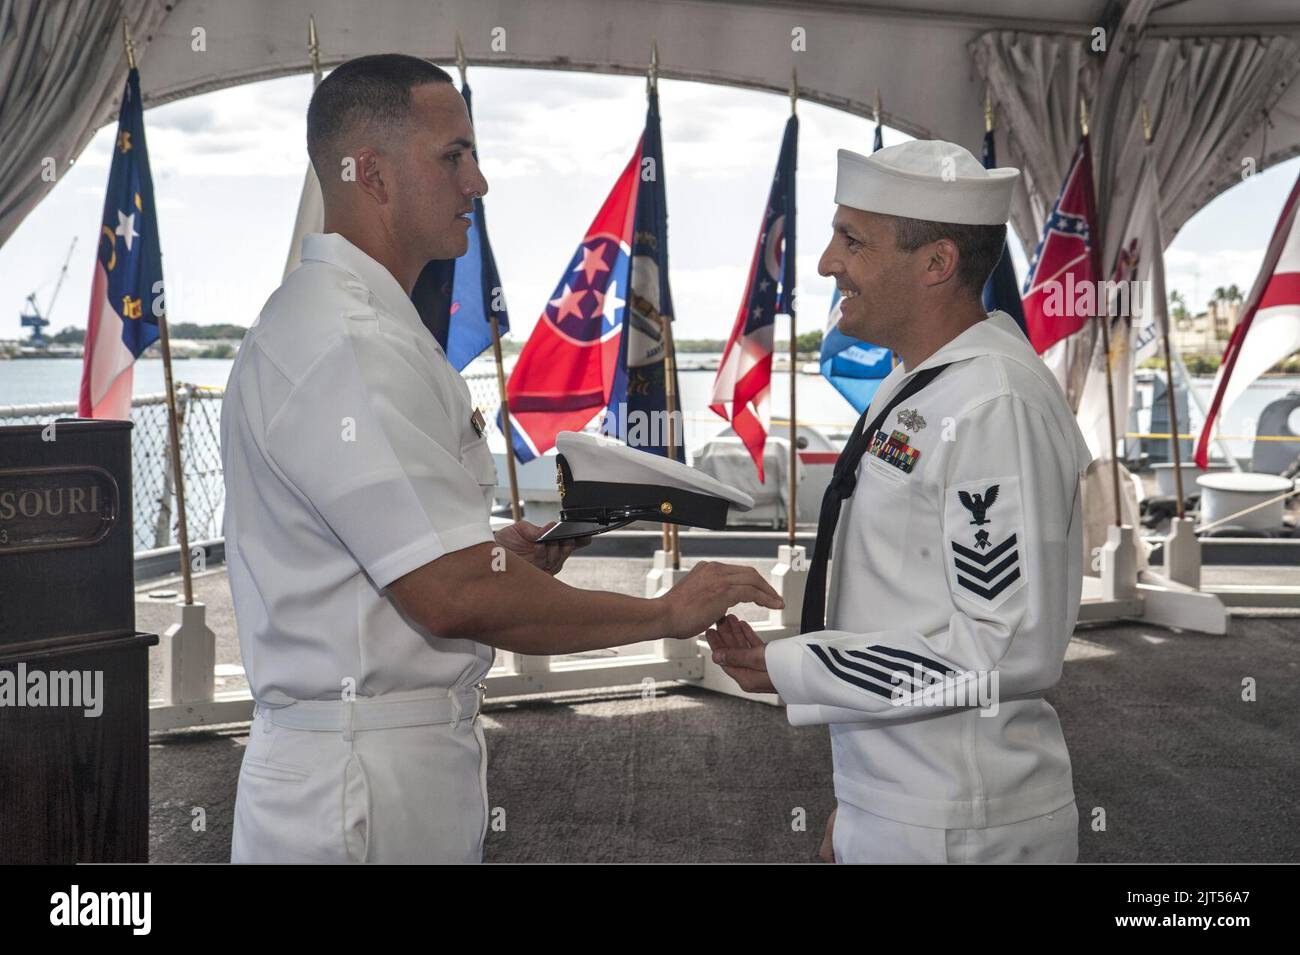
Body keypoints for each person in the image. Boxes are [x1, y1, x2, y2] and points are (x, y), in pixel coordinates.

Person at [220, 53, 780, 864]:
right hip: (359, 788)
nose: (477, 183)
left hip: (383, 764)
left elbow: (420, 566)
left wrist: (499, 557)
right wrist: (664, 614)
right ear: (369, 173)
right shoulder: (349, 341)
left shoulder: (357, 325)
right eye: (453, 156)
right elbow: (448, 595)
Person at [706, 140, 1093, 864]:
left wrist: (800, 665)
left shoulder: (992, 404)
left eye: (852, 239)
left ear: (937, 264)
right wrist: (860, 804)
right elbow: (905, 601)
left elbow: (1001, 647)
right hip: (906, 802)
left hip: (961, 826)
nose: (826, 262)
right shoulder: (920, 383)